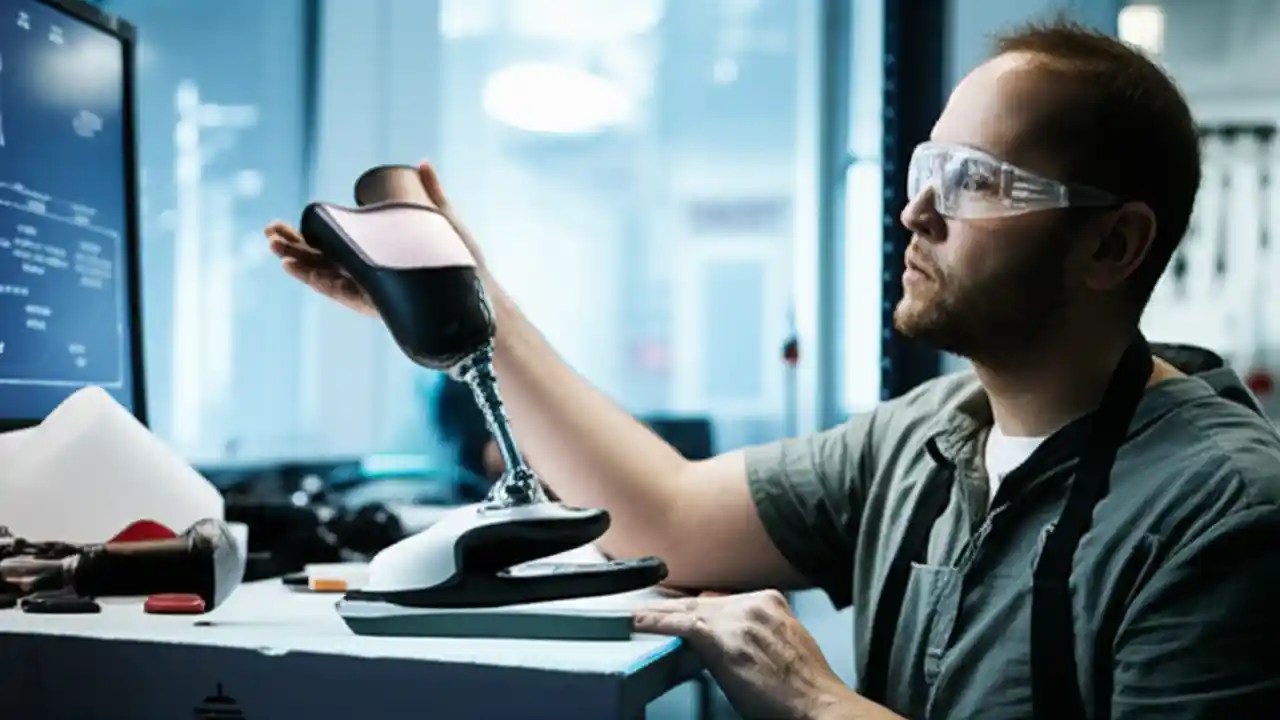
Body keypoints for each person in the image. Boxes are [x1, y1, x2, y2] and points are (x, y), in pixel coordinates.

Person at [266, 18, 1280, 720]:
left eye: (973, 181)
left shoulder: (1224, 511)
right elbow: (660, 518)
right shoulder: (928, 438)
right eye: (928, 169)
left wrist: (814, 702)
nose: (914, 211)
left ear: (1112, 245)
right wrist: (469, 297)